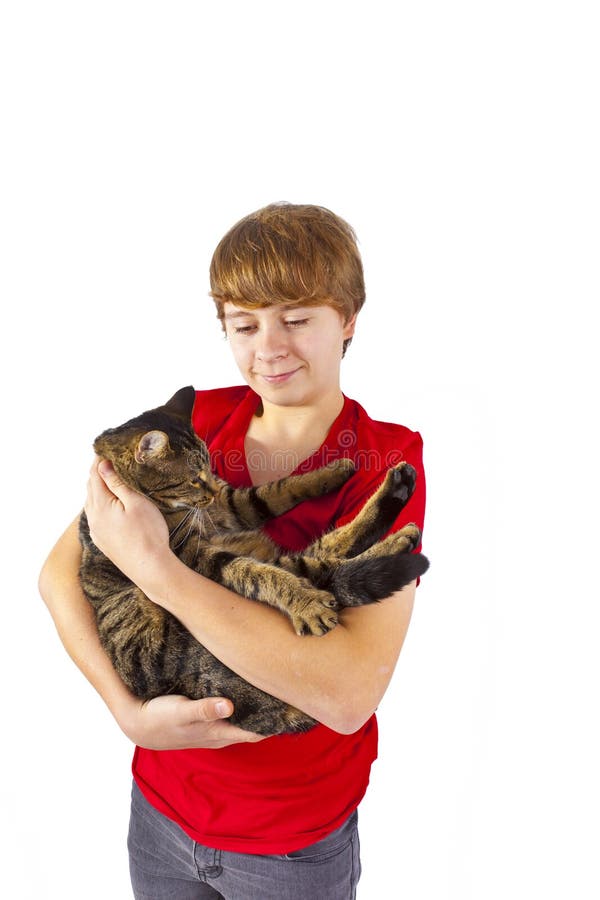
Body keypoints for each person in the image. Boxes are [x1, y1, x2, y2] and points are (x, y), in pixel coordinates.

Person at [39, 202, 426, 899]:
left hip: (290, 842)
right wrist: (126, 715)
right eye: (244, 325)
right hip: (161, 808)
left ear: (348, 318)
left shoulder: (383, 458)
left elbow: (343, 696)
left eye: (297, 319)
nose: (268, 347)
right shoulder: (197, 422)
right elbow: (58, 573)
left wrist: (157, 569)